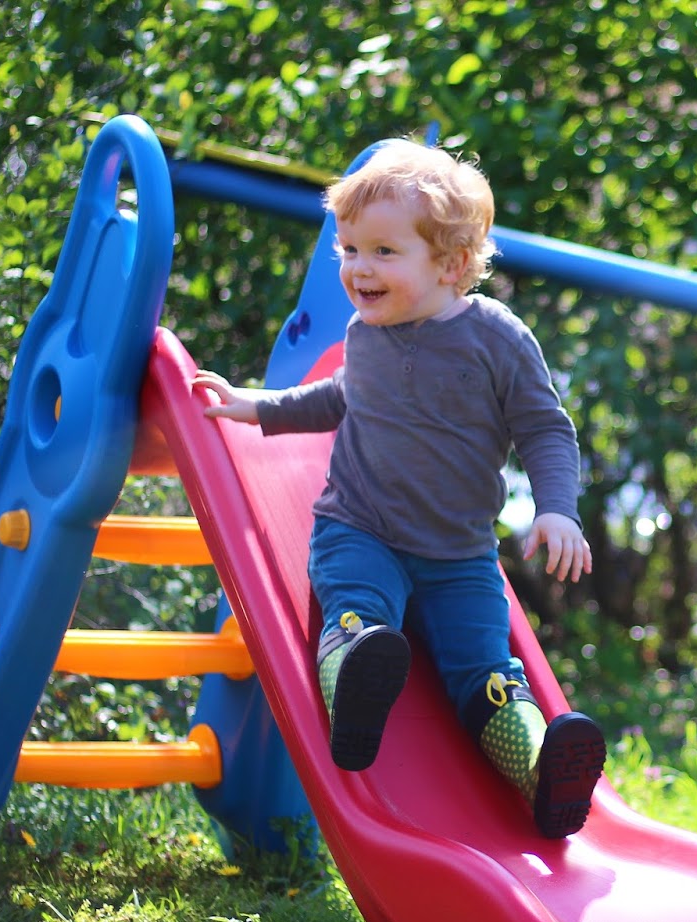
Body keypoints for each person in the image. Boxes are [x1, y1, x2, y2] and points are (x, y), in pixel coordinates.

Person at [193, 137, 606, 838]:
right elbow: (338, 398)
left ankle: (542, 768)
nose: (359, 269)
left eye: (384, 252)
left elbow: (545, 429)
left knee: (488, 669)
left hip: (459, 556)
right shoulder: (368, 333)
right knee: (354, 613)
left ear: (450, 265)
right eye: (350, 250)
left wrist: (556, 509)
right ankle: (355, 684)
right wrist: (258, 406)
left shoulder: (496, 339)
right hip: (360, 528)